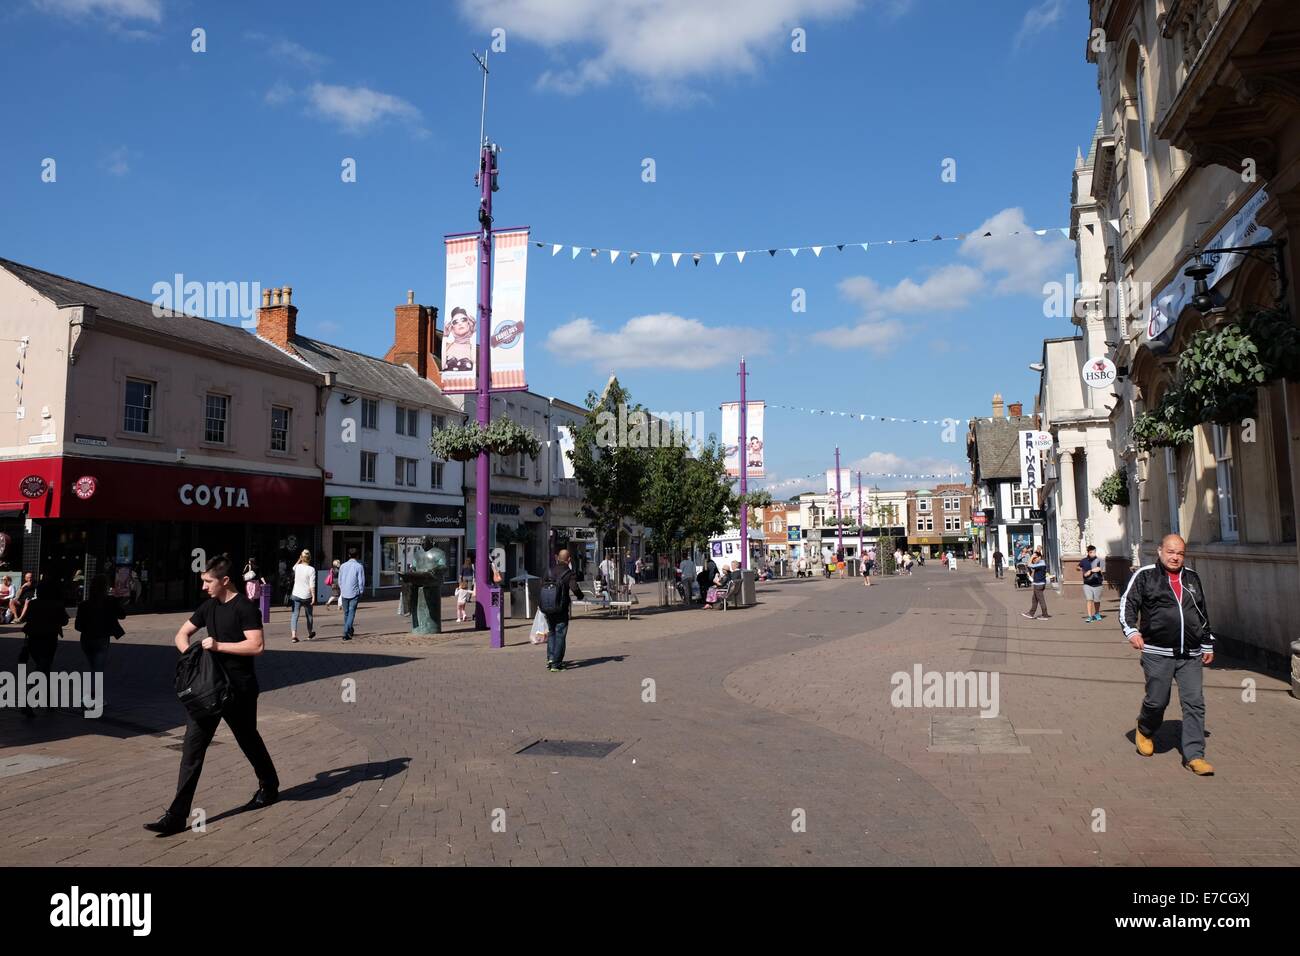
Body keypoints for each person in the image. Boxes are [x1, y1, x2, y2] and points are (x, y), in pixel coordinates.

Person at [144, 554, 280, 836]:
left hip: (239, 690)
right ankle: (176, 815)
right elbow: (181, 634)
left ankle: (269, 786)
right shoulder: (208, 607)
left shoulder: (244, 608)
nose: (204, 586)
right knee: (192, 750)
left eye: (208, 581)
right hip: (207, 691)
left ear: (225, 581)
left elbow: (256, 646)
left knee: (248, 739)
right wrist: (191, 656)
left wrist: (217, 645)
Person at [1121, 534, 1215, 775]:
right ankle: (1145, 728)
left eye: (1180, 553)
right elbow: (1128, 604)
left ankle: (1195, 755)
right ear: (1160, 551)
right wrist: (1131, 631)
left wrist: (1207, 643)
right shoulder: (1145, 576)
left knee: (1194, 703)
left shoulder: (1192, 578)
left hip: (1190, 654)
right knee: (1157, 701)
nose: (1175, 557)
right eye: (1171, 552)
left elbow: (1201, 612)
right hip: (1157, 652)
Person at [20, 580, 68, 717]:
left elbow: (28, 619)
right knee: (42, 671)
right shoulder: (56, 604)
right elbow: (64, 620)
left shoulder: (34, 603)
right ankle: (28, 703)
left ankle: (48, 702)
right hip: (48, 640)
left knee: (43, 670)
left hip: (33, 641)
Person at [74, 572, 125, 676]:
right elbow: (122, 615)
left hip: (86, 638)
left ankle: (92, 689)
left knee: (93, 666)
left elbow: (77, 625)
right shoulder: (110, 602)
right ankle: (94, 690)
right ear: (105, 587)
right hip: (101, 638)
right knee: (97, 668)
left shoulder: (84, 605)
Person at [542, 550, 585, 672]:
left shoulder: (549, 571)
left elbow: (541, 586)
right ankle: (556, 664)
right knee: (560, 633)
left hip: (548, 607)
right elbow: (574, 588)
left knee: (551, 632)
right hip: (561, 607)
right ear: (569, 560)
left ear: (557, 558)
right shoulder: (569, 573)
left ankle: (550, 658)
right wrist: (581, 596)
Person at [289, 549, 317, 643]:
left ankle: (294, 635)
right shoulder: (311, 569)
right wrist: (313, 596)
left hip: (296, 594)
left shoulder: (297, 567)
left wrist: (299, 559)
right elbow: (312, 585)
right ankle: (310, 633)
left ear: (301, 558)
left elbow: (293, 567)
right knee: (309, 615)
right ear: (310, 558)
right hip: (306, 596)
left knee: (294, 615)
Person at [338, 548, 365, 641]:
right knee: (351, 613)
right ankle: (346, 631)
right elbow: (361, 581)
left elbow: (340, 580)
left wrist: (342, 589)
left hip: (345, 592)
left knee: (346, 613)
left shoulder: (342, 566)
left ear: (348, 555)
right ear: (357, 556)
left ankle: (349, 630)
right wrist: (361, 591)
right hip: (354, 592)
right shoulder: (359, 566)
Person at [1021, 549, 1051, 619]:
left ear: (1039, 557)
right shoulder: (1040, 563)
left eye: (1035, 558)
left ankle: (1044, 614)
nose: (1034, 560)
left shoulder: (1041, 564)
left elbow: (1029, 564)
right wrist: (1033, 557)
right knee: (1034, 600)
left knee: (1041, 600)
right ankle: (1031, 613)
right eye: (1033, 558)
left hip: (1039, 585)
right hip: (1037, 584)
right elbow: (1030, 565)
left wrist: (1031, 557)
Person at [1079, 545, 1105, 622]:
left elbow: (1102, 570)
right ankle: (1090, 616)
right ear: (1088, 552)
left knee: (1096, 600)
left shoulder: (1099, 560)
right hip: (1087, 583)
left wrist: (1092, 570)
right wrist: (1083, 570)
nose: (1093, 553)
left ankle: (1097, 613)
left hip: (1098, 583)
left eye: (1094, 552)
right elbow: (1077, 567)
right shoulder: (1084, 560)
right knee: (1089, 599)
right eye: (1091, 552)